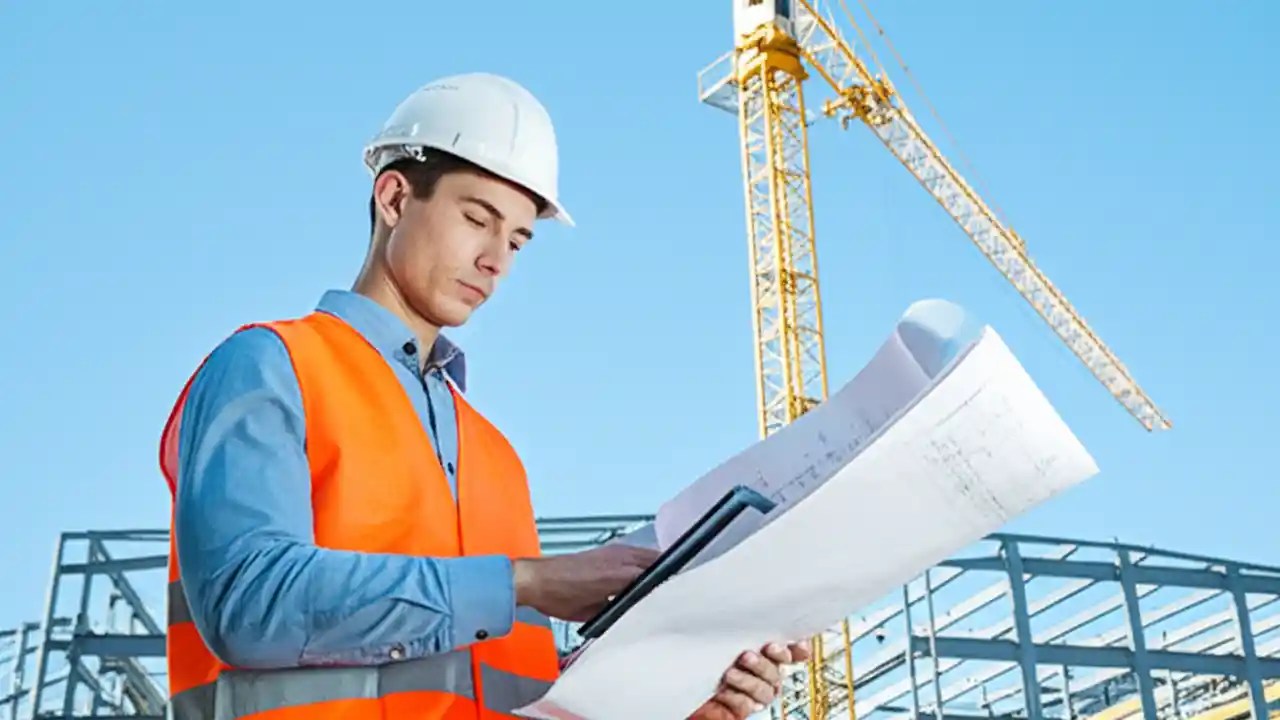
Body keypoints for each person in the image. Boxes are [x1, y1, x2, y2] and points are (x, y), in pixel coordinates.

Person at [158, 72, 810, 720]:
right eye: (478, 219)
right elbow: (248, 603)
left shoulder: (496, 459)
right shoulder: (272, 366)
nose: (497, 258)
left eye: (518, 240)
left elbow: (507, 694)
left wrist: (682, 703)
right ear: (393, 198)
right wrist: (529, 582)